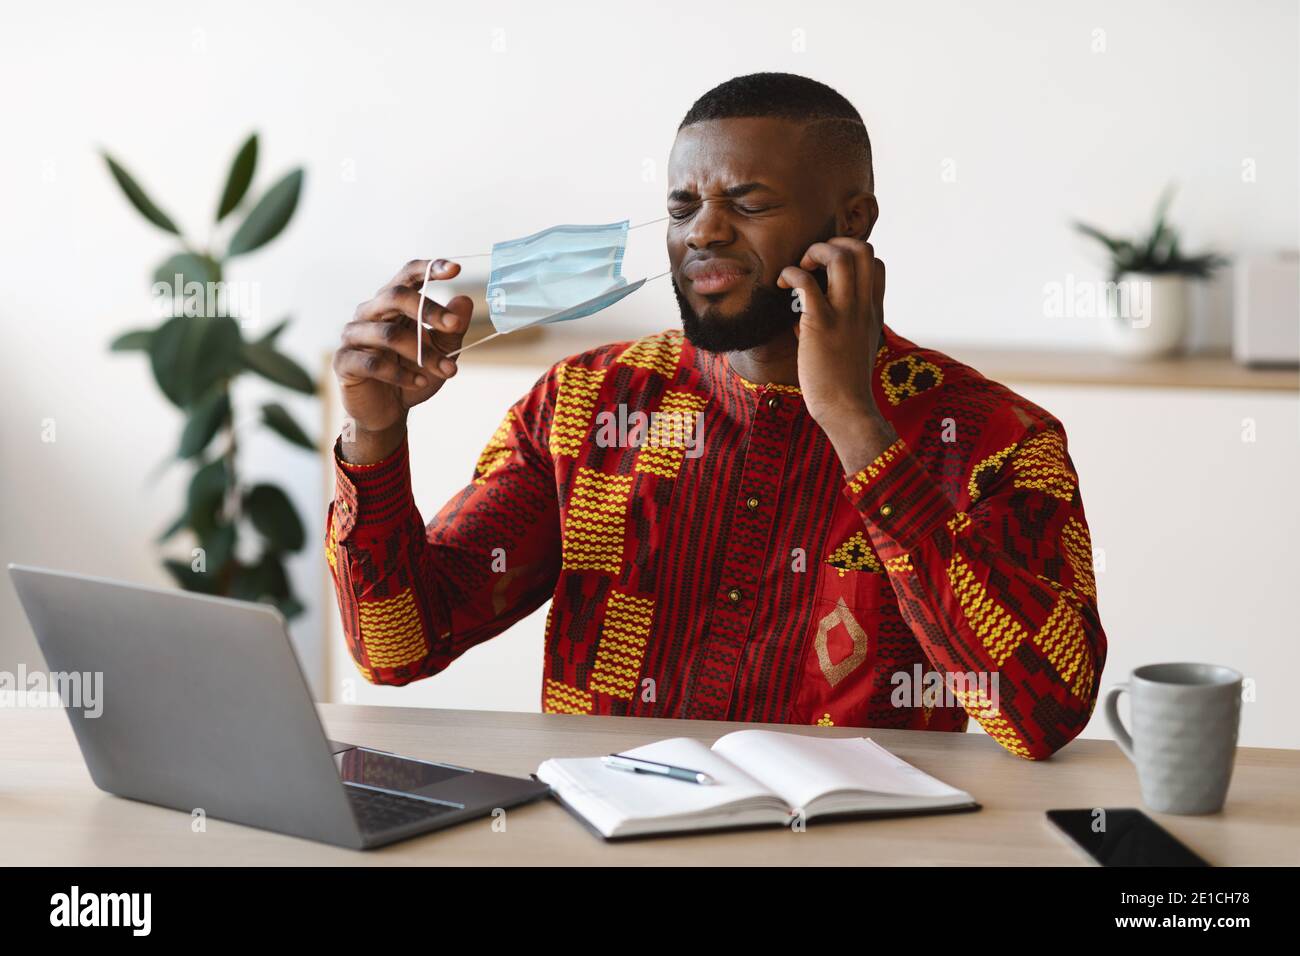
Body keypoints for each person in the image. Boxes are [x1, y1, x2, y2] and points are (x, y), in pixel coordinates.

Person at [327, 72, 1106, 760]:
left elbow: (1045, 714)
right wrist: (375, 436)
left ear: (853, 218)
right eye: (682, 205)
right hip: (610, 847)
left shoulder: (993, 439)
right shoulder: (587, 405)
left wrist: (853, 423)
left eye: (748, 202)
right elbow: (398, 646)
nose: (703, 230)